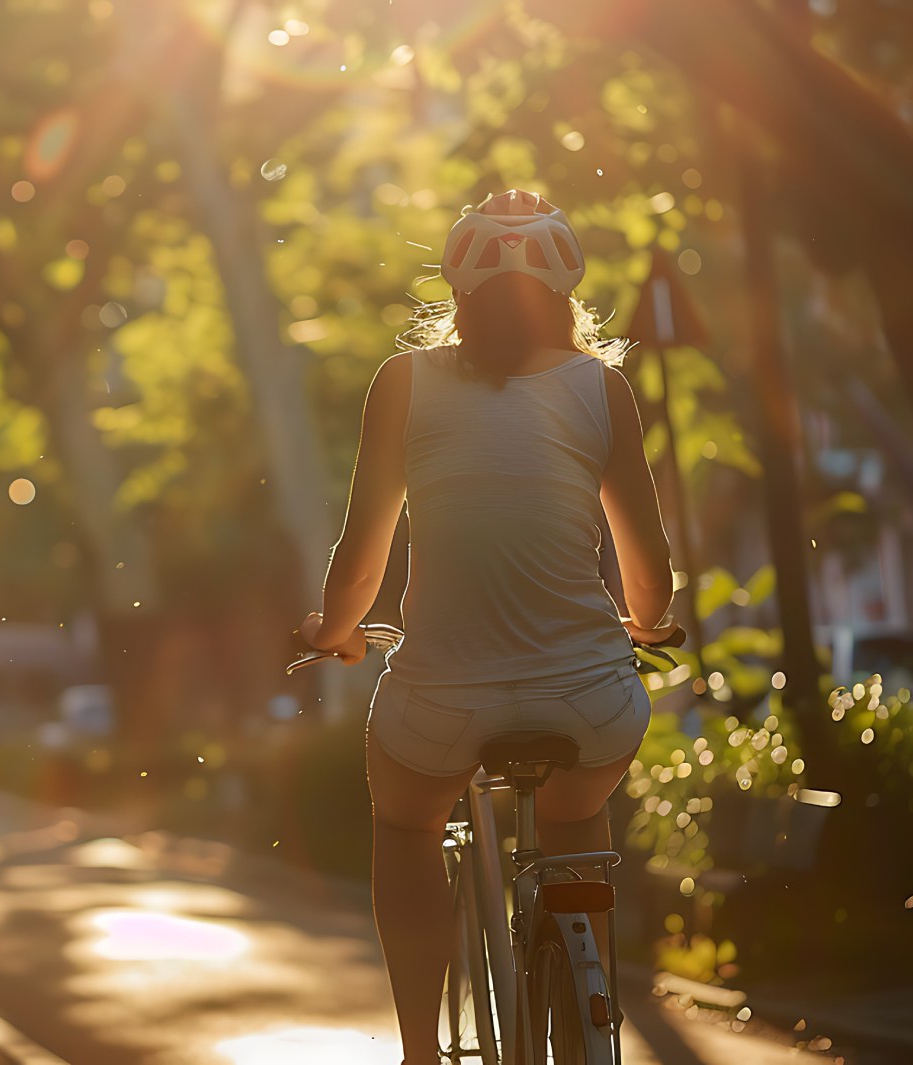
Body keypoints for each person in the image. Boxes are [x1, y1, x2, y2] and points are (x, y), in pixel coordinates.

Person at [298, 189, 676, 1064]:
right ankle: (587, 1013)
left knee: (407, 825)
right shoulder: (602, 388)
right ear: (566, 292)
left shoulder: (404, 384)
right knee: (577, 813)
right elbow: (649, 578)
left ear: (458, 290)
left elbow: (360, 568)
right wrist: (649, 624)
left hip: (440, 705)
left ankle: (422, 1051)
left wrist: (332, 631)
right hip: (590, 699)